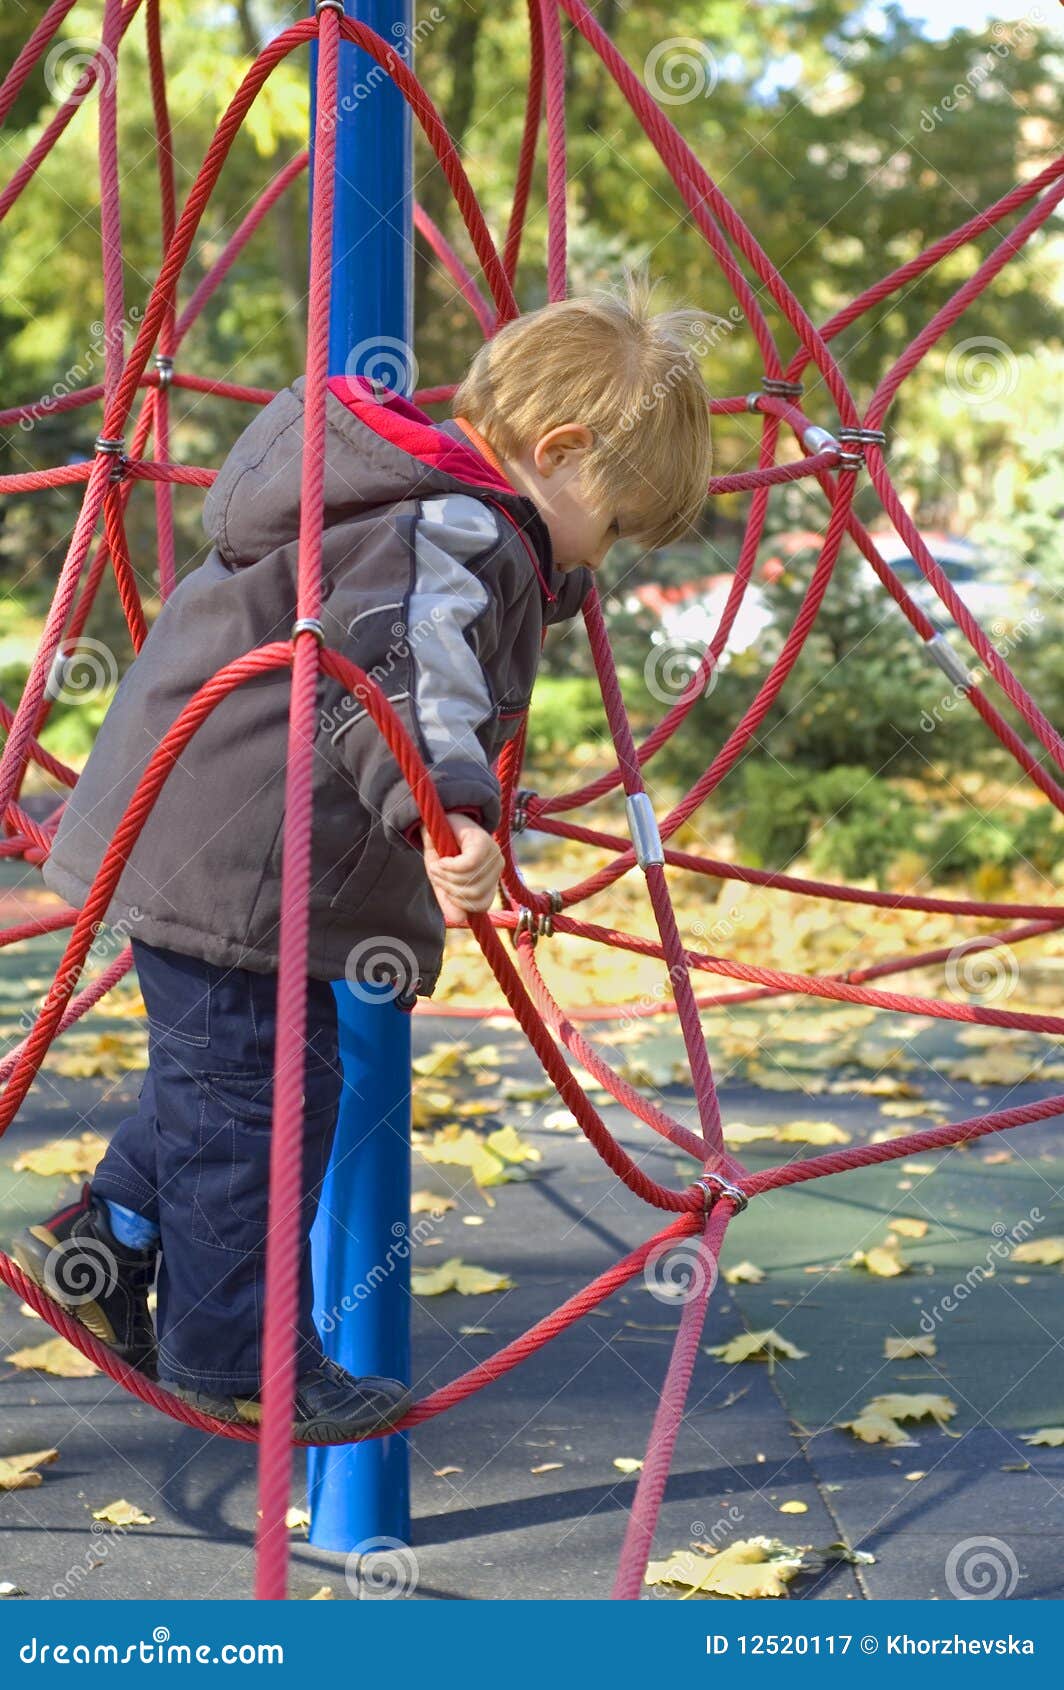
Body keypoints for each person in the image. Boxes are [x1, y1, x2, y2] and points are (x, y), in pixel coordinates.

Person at [14, 273, 714, 1441]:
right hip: (238, 867)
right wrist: (451, 812)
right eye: (617, 520)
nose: (610, 556)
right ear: (561, 449)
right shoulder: (458, 528)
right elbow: (407, 675)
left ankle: (105, 1237)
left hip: (199, 843)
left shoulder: (411, 507)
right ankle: (230, 1355)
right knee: (258, 1100)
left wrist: (549, 578)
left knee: (237, 1078)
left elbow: (425, 614)